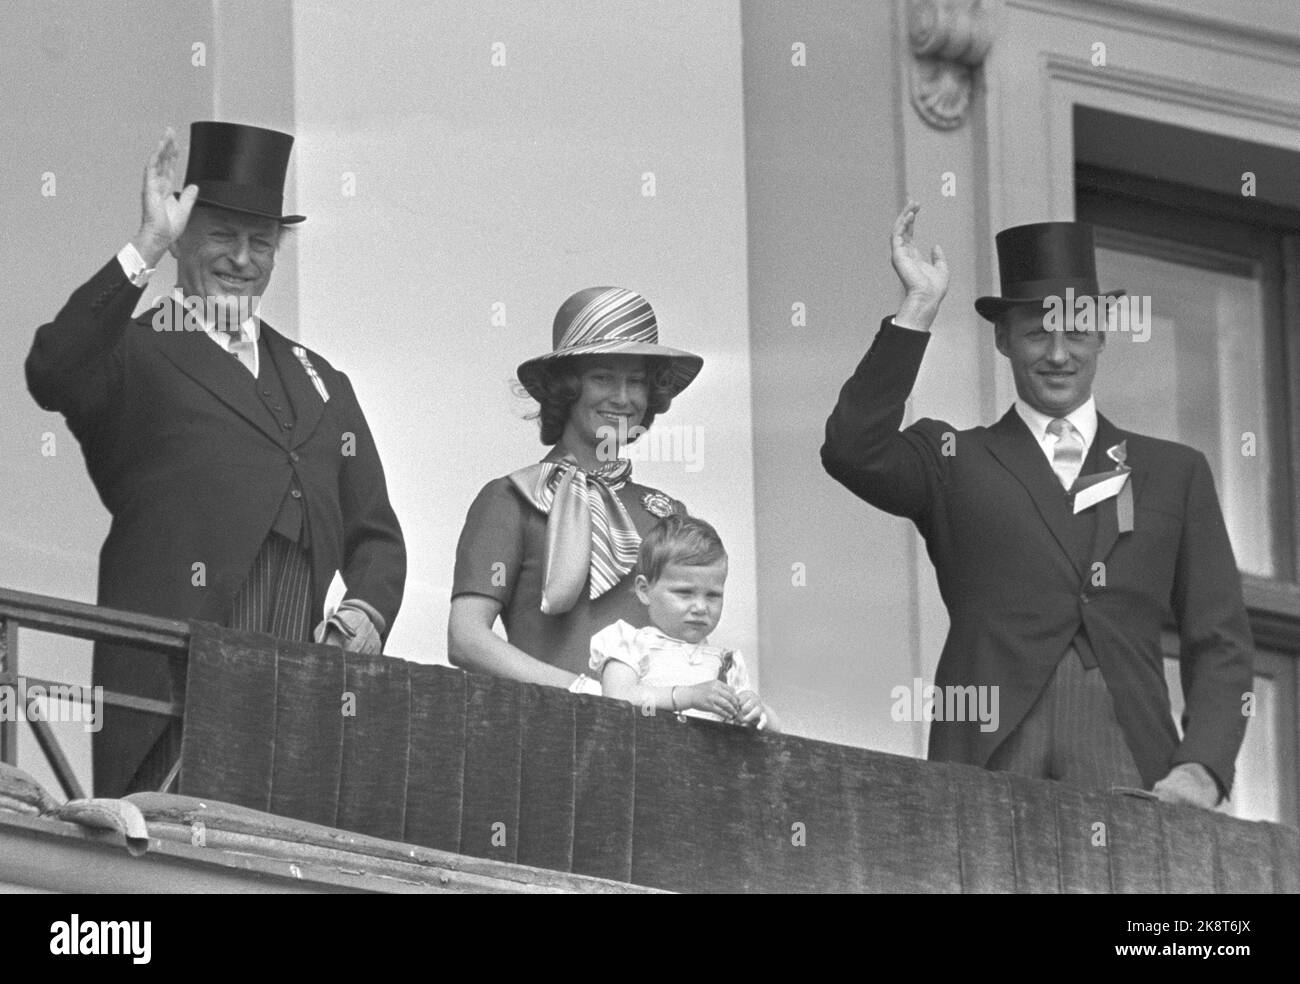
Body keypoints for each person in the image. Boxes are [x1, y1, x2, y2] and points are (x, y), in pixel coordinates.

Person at [820, 201, 1253, 809]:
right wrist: (917, 309)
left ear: (1101, 335)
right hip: (988, 752)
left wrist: (1202, 769)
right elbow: (851, 451)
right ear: (1003, 340)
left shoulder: (1172, 473)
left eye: (1075, 331)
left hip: (1133, 761)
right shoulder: (953, 458)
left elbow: (1221, 640)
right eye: (1035, 333)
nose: (1057, 353)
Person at [26, 123, 406, 797]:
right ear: (183, 237)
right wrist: (144, 244)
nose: (242, 258)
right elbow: (54, 369)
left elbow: (375, 534)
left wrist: (363, 615)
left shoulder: (320, 381)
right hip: (174, 684)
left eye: (261, 242)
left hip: (297, 693)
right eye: (222, 235)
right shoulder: (134, 353)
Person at [449, 287, 700, 692]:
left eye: (635, 382)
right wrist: (583, 693)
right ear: (566, 387)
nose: (622, 398)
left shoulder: (668, 515)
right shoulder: (513, 498)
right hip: (547, 735)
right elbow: (466, 639)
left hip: (655, 742)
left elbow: (689, 639)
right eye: (603, 378)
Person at [591, 513, 780, 730]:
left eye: (713, 595)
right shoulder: (629, 642)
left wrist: (758, 712)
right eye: (685, 593)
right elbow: (618, 699)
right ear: (645, 590)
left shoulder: (727, 663)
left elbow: (775, 731)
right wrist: (688, 696)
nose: (701, 607)